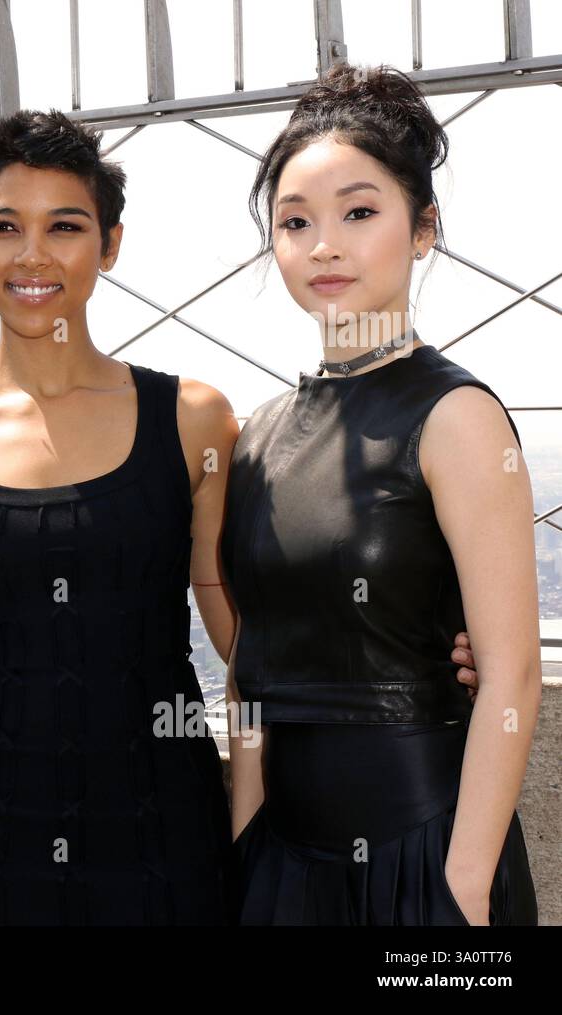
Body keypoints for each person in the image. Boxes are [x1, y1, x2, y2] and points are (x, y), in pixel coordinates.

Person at [222, 64, 539, 926]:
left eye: (359, 212)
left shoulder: (456, 416)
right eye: (296, 222)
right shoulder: (258, 431)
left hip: (425, 860)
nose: (324, 245)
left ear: (424, 227)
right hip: (283, 867)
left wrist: (462, 886)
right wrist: (248, 837)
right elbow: (252, 666)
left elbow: (511, 671)